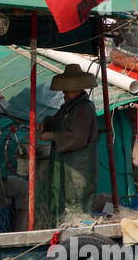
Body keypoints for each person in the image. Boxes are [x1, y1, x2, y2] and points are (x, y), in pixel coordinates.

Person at [36, 64, 99, 226]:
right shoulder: (68, 107)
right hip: (63, 164)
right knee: (58, 198)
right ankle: (56, 232)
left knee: (76, 202)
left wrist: (52, 136)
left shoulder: (85, 108)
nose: (64, 93)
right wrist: (46, 123)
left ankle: (78, 238)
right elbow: (56, 120)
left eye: (67, 90)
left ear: (77, 90)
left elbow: (77, 136)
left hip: (79, 168)